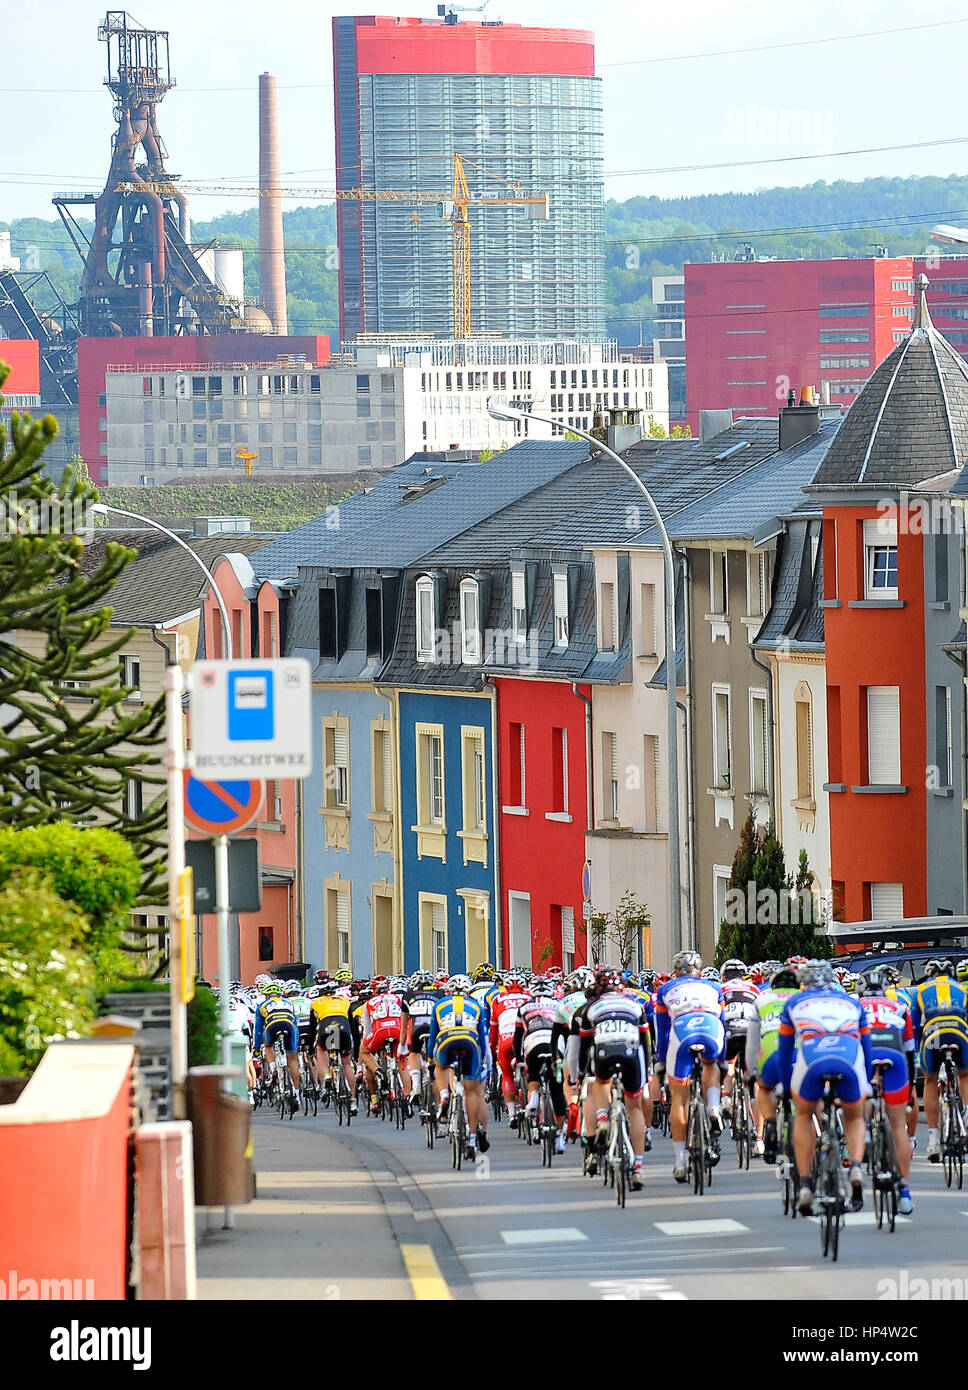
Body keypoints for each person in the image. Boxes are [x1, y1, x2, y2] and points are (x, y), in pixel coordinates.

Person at [778, 959, 872, 1216]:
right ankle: (854, 1167)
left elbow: (785, 1052)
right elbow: (867, 1045)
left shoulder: (794, 1003)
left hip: (812, 1057)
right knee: (854, 1116)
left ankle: (806, 1185)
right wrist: (869, 1080)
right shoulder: (852, 1002)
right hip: (849, 1058)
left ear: (802, 983)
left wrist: (787, 1088)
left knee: (803, 1115)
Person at [570, 965, 651, 1189]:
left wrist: (581, 1074)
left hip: (604, 1052)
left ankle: (603, 1118)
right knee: (634, 1107)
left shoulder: (591, 1008)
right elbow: (646, 1042)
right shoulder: (635, 1004)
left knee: (599, 1080)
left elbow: (586, 1047)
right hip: (632, 1051)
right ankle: (638, 1167)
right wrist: (649, 1070)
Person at [654, 950, 726, 1182]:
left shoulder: (665, 990)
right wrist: (721, 1058)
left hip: (682, 1031)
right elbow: (723, 1022)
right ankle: (714, 1108)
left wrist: (662, 1061)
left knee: (679, 1099)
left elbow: (663, 1032)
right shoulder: (714, 988)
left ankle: (680, 1162)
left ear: (675, 972)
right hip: (711, 1029)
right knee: (710, 1065)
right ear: (700, 972)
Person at [858, 968, 915, 1215]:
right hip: (895, 1057)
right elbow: (910, 1052)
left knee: (859, 1101)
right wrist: (910, 1085)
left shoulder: (854, 1006)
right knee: (898, 1125)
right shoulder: (899, 1006)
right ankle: (904, 1192)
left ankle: (865, 1133)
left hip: (866, 1054)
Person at [910, 958, 968, 1164]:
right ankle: (967, 1117)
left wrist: (916, 1053)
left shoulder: (920, 990)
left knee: (930, 1080)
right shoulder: (962, 988)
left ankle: (933, 1139)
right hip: (959, 1032)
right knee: (964, 1075)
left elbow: (915, 1028)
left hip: (934, 1035)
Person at [427, 974, 490, 1161]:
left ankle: (445, 1095)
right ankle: (472, 1139)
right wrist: (483, 1061)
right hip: (470, 1042)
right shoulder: (476, 1005)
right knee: (471, 1092)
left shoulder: (439, 1004)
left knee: (440, 1066)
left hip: (447, 1040)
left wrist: (431, 1058)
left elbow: (433, 1036)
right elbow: (482, 1038)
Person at [745, 965, 798, 1163]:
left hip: (770, 1051)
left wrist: (751, 1072)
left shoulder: (762, 999)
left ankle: (769, 1124)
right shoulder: (803, 998)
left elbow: (752, 1043)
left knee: (764, 1087)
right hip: (798, 1053)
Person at [514, 977, 568, 1153]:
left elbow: (517, 1037)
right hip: (554, 1044)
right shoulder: (559, 1005)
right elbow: (566, 1033)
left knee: (533, 1073)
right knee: (557, 1089)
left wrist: (519, 1058)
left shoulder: (523, 1007)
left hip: (533, 1042)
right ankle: (559, 1137)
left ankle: (534, 1098)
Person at [489, 971, 533, 1128]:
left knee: (507, 1074)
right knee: (531, 1072)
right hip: (525, 1038)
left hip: (506, 1040)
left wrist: (492, 1049)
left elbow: (493, 1030)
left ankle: (512, 1113)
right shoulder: (529, 998)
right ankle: (531, 1104)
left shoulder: (498, 999)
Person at [308, 979, 357, 1115]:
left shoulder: (316, 1003)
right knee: (346, 1065)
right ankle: (353, 1101)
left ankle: (327, 1075)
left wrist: (310, 1048)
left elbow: (312, 1030)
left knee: (321, 1050)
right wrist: (355, 1048)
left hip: (327, 1029)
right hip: (343, 1029)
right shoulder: (344, 1001)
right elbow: (353, 1026)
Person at [253, 981, 301, 1112]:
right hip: (289, 1026)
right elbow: (295, 1025)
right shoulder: (289, 1003)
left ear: (267, 995)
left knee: (268, 1045)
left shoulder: (262, 1005)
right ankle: (297, 1094)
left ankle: (273, 1068)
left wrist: (257, 1049)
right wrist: (295, 1047)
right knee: (292, 1059)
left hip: (272, 1026)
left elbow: (258, 1031)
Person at [359, 976, 404, 1114]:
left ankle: (378, 1079)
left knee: (365, 1052)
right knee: (402, 1060)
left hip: (379, 1031)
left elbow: (366, 1030)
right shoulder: (397, 998)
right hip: (397, 1029)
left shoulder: (369, 1003)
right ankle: (406, 1093)